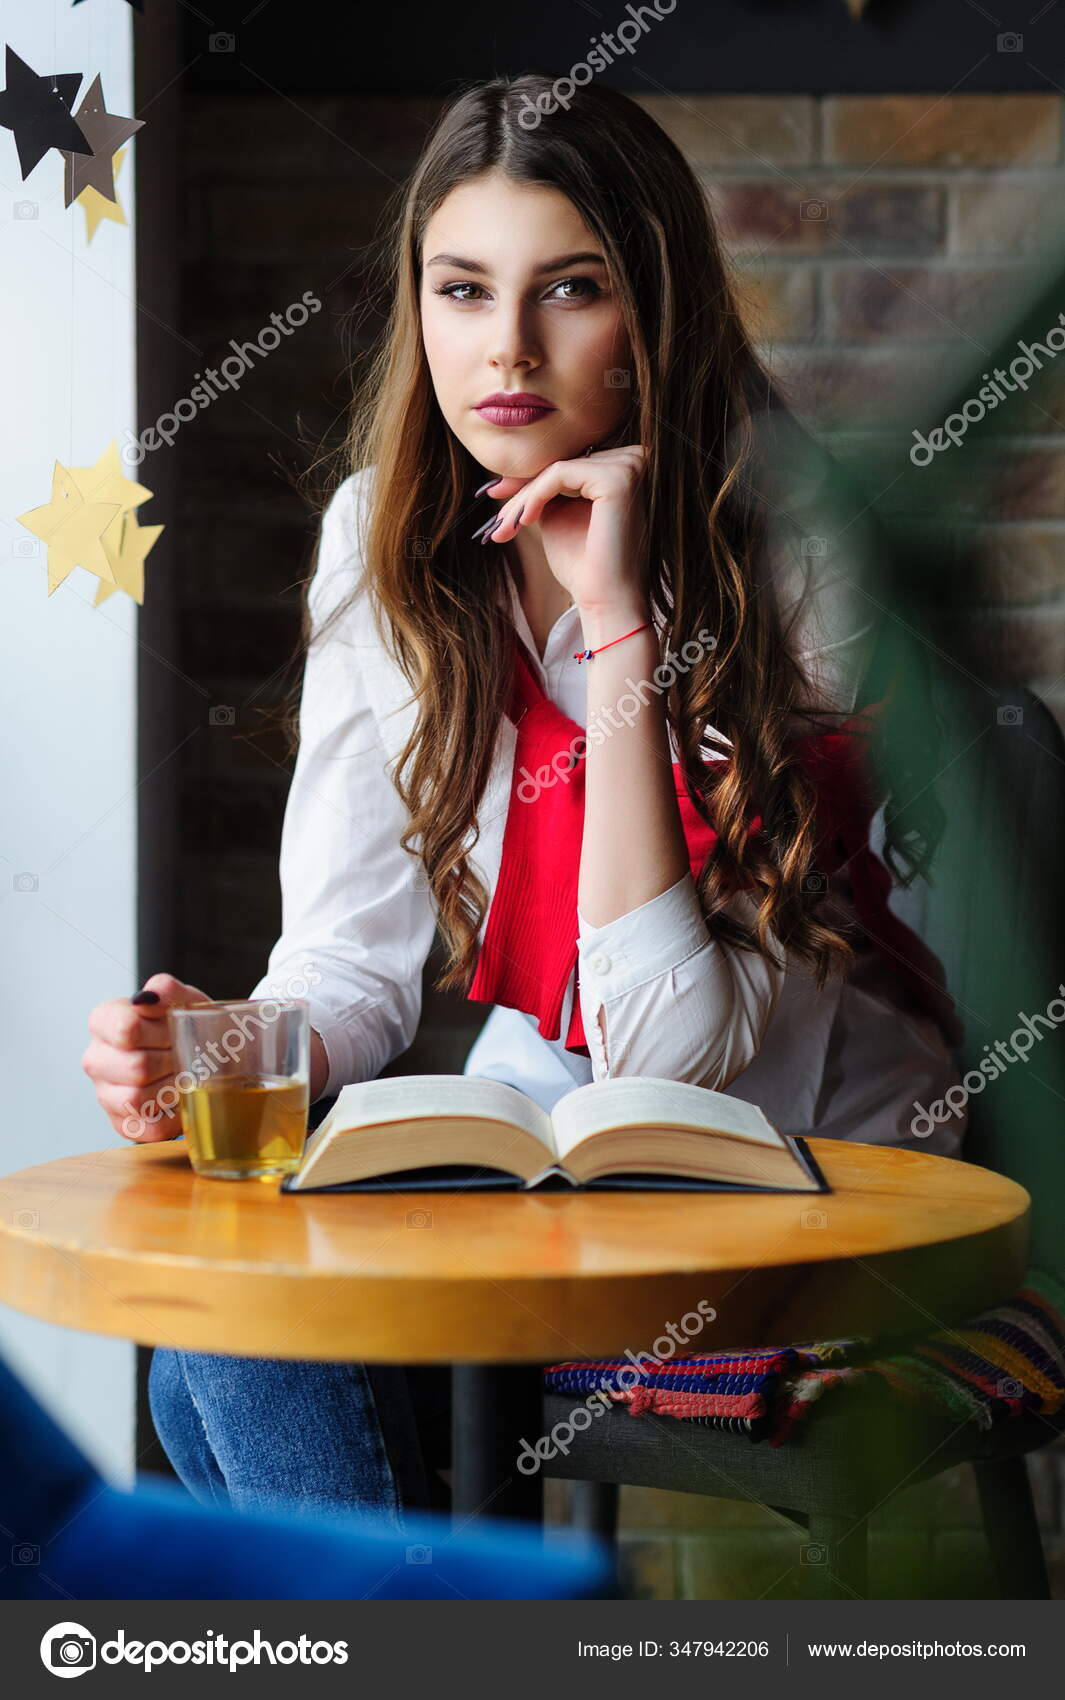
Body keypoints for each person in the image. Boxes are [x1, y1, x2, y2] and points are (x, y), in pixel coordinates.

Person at [82, 74, 968, 1528]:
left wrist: (621, 623)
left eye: (568, 290)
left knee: (231, 1371)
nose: (503, 348)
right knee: (231, 1347)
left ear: (655, 308)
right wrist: (219, 1053)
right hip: (553, 1132)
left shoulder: (795, 558)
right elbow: (351, 967)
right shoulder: (376, 535)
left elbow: (671, 1059)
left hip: (807, 1166)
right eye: (460, 289)